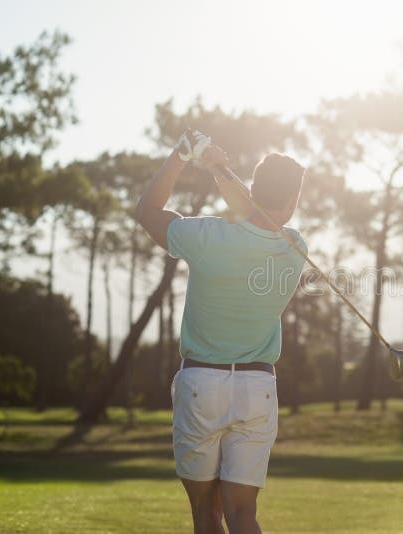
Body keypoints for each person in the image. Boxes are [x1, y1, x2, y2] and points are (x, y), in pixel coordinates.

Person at [135, 129, 307, 534]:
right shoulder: (294, 246)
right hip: (257, 388)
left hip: (201, 385)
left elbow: (147, 211)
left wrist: (184, 155)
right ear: (294, 200)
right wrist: (217, 169)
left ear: (255, 187)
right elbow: (256, 213)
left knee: (206, 514)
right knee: (243, 515)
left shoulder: (207, 235)